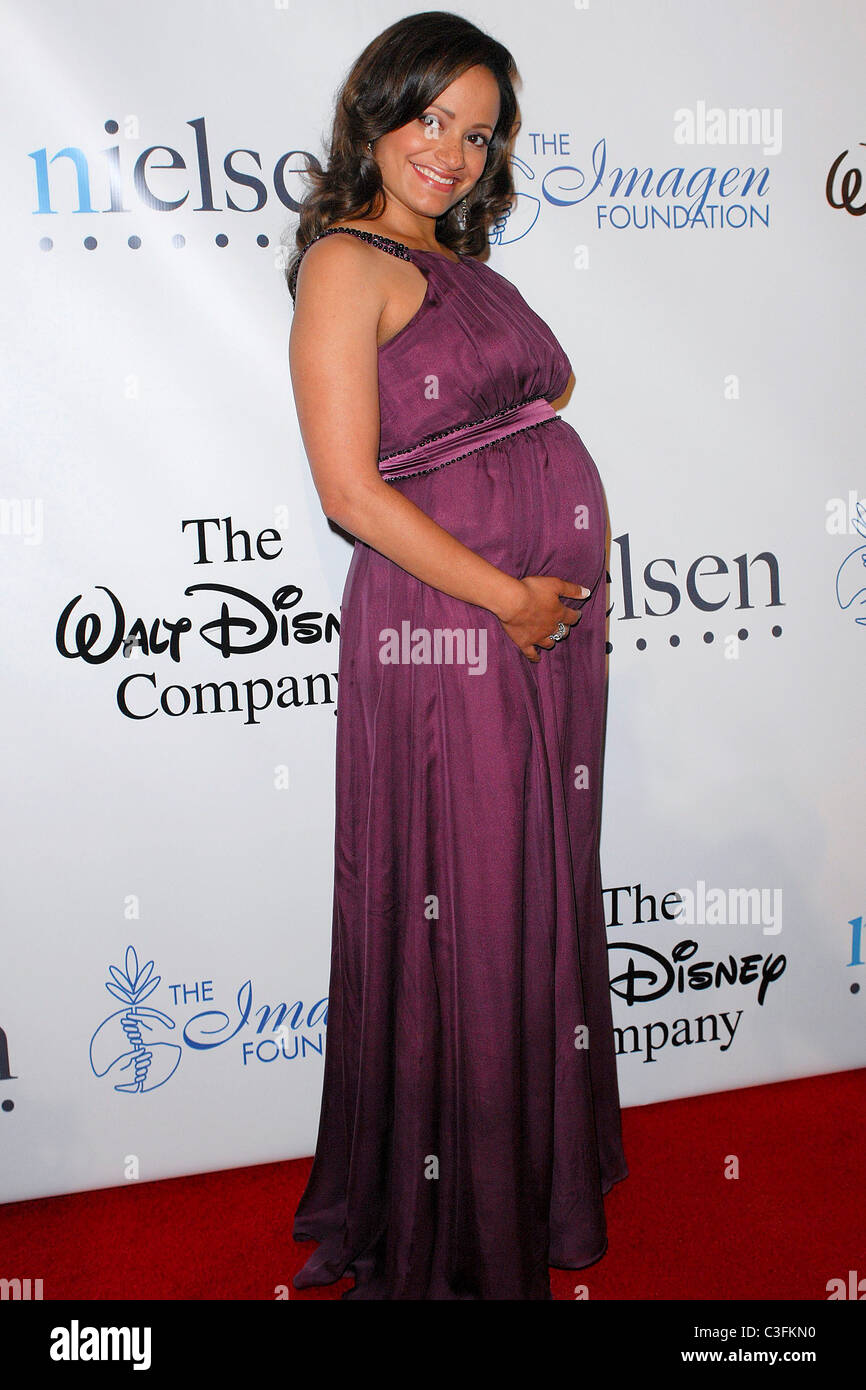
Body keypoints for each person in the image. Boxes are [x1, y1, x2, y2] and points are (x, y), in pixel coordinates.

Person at [283, 10, 628, 1300]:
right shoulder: (344, 264)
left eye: (478, 133)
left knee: (529, 884)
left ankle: (525, 1175)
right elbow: (350, 493)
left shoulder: (464, 263)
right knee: (466, 899)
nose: (452, 150)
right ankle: (455, 1212)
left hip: (536, 632)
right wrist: (508, 596)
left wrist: (542, 594)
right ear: (378, 112)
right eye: (432, 118)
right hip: (456, 629)